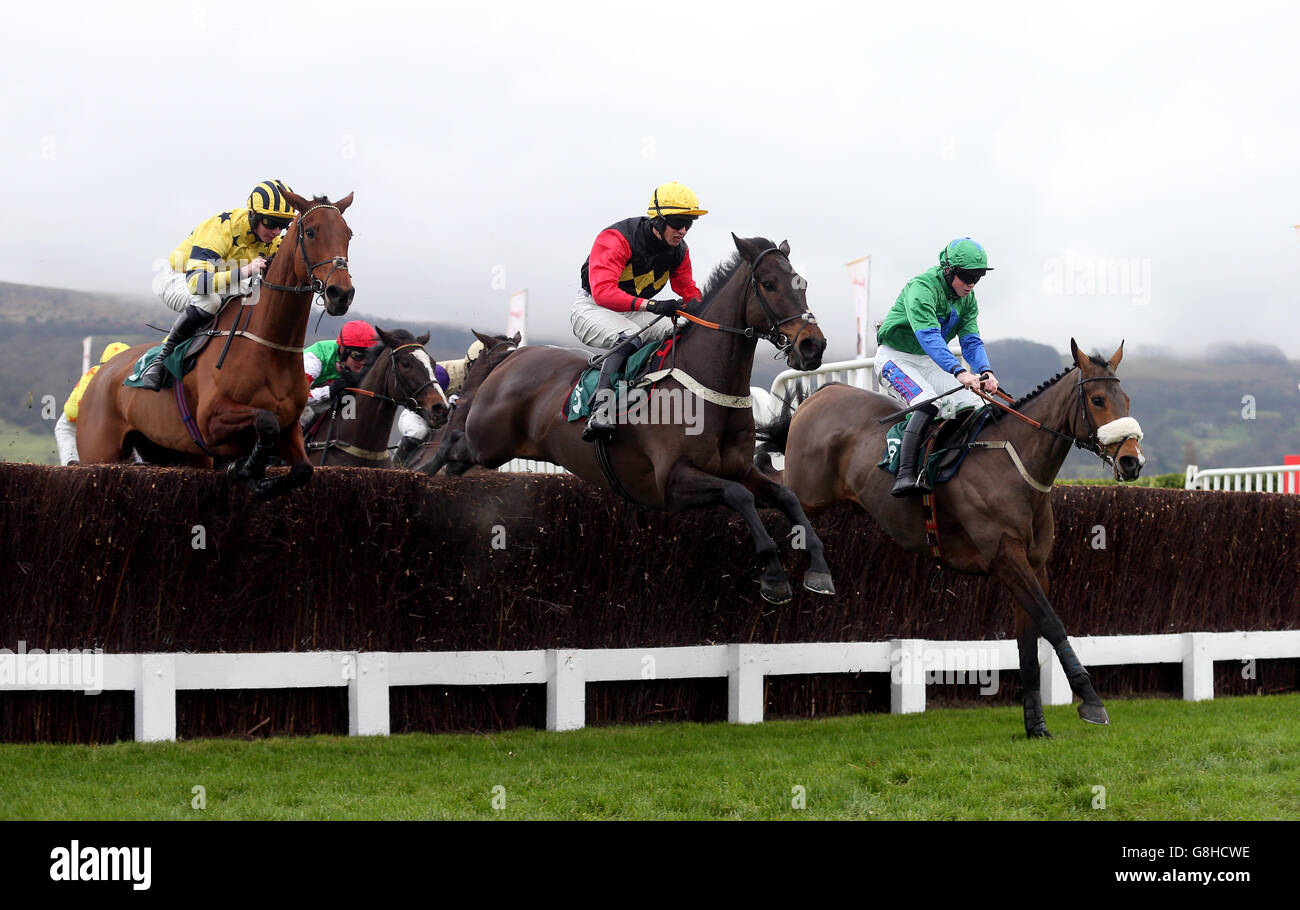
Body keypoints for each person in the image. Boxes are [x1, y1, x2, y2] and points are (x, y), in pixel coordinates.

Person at [571, 181, 707, 440]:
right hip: (592, 307)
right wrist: (654, 305)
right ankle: (600, 408)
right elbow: (604, 292)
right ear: (658, 219)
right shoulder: (616, 239)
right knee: (630, 334)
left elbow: (688, 290)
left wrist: (708, 312)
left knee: (687, 330)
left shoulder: (679, 251)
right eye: (678, 222)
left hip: (633, 311)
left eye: (689, 223)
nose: (683, 230)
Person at [137, 180, 298, 391]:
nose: (277, 231)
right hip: (179, 277)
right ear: (253, 215)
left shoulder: (272, 239)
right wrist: (245, 271)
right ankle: (160, 360)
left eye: (283, 224)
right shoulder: (221, 228)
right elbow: (197, 284)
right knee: (210, 301)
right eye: (270, 222)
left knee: (254, 296)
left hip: (217, 278)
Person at [875, 237, 1001, 498]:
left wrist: (985, 370)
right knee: (926, 401)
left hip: (929, 362)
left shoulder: (969, 298)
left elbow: (971, 340)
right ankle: (905, 473)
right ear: (948, 270)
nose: (972, 284)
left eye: (978, 277)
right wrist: (959, 371)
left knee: (975, 403)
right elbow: (929, 337)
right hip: (896, 358)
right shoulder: (921, 288)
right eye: (967, 276)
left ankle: (955, 464)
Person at [55, 342, 131, 465]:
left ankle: (70, 463)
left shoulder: (93, 374)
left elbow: (72, 412)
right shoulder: (134, 377)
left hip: (91, 416)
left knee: (64, 427)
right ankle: (143, 460)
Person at [300, 320, 379, 433]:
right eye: (358, 356)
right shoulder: (314, 359)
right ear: (343, 350)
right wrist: (330, 390)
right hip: (293, 401)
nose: (363, 362)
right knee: (306, 417)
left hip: (329, 402)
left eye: (368, 356)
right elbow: (299, 397)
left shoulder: (363, 364)